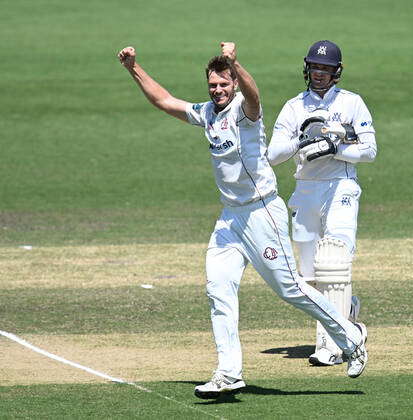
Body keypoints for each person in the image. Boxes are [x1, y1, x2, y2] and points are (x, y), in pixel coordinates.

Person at [117, 42, 368, 399]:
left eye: (224, 84)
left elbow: (254, 95)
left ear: (233, 83)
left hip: (261, 211)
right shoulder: (207, 112)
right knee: (218, 288)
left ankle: (350, 337)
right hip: (229, 219)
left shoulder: (245, 112)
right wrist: (133, 69)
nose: (218, 91)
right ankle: (228, 373)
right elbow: (165, 101)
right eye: (213, 86)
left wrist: (238, 64)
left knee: (290, 289)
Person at [267, 40, 377, 367]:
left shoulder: (352, 103)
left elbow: (370, 151)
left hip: (341, 185)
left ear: (336, 72)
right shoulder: (293, 107)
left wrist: (335, 149)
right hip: (306, 189)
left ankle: (330, 347)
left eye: (326, 69)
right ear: (307, 68)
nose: (319, 73)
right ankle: (348, 313)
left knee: (335, 260)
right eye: (316, 67)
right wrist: (303, 139)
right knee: (308, 275)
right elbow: (272, 156)